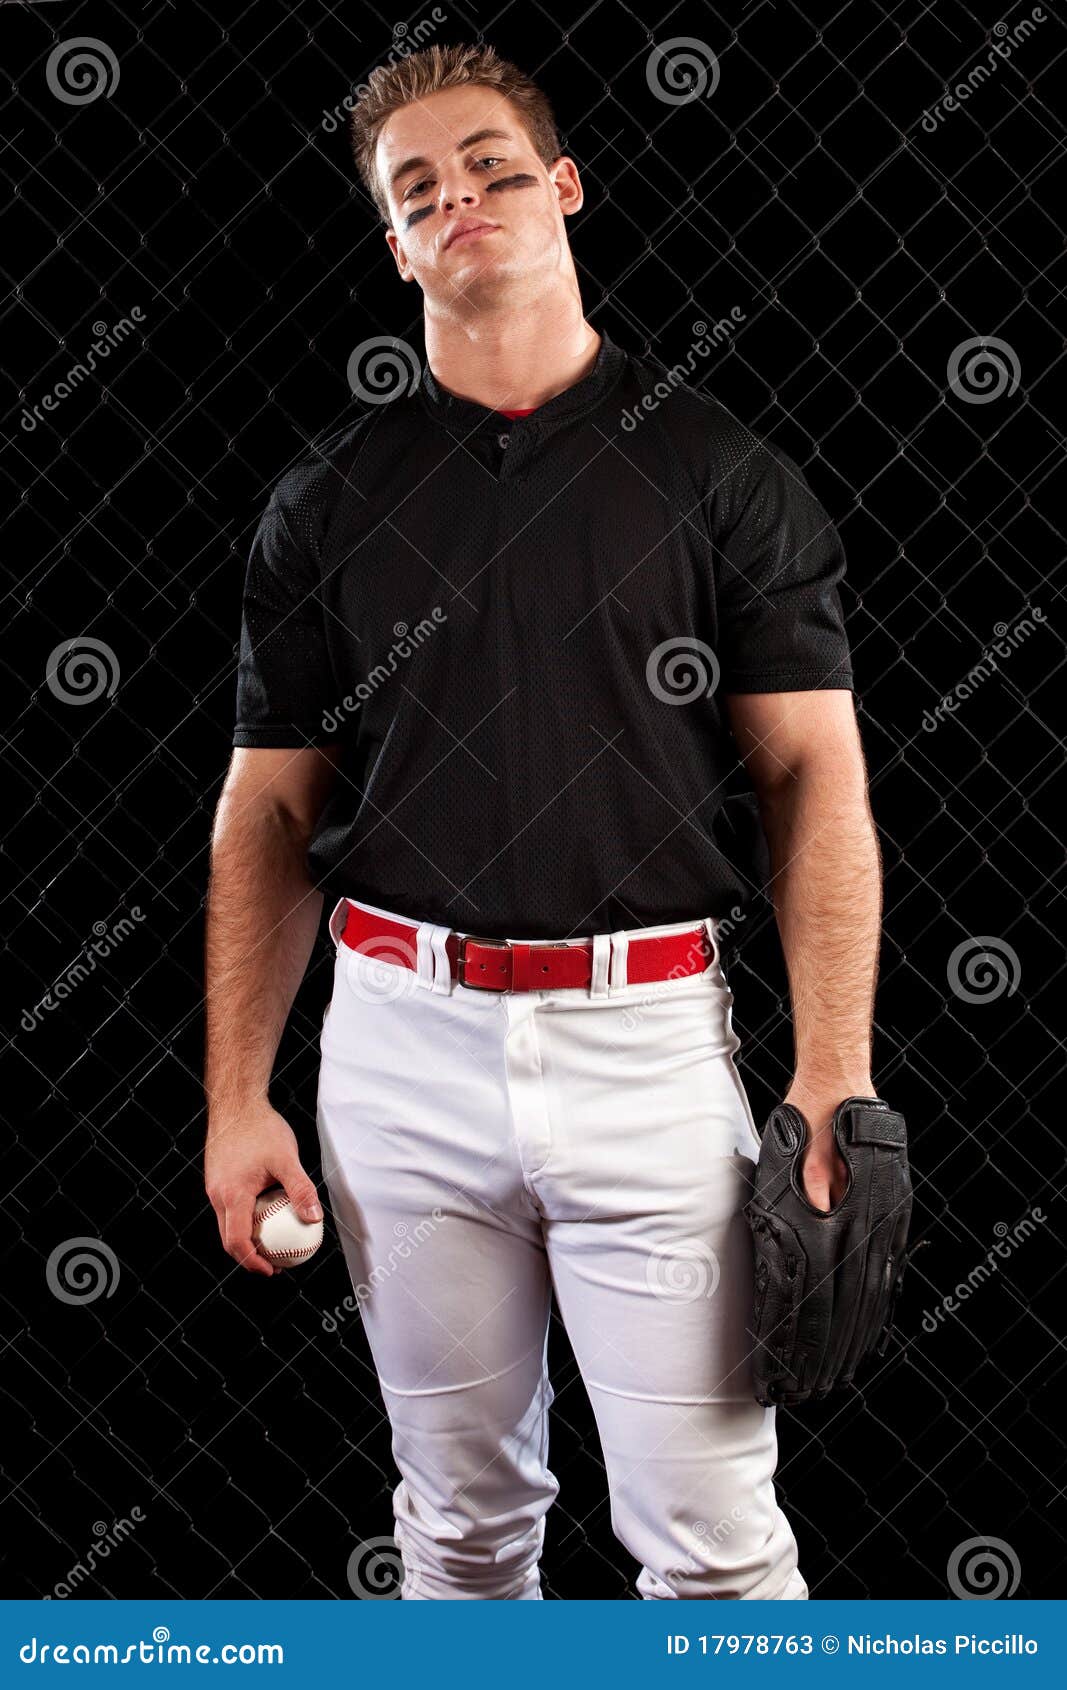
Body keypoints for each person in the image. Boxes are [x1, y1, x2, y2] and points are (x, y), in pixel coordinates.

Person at [204, 43, 881, 1601]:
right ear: (395, 244)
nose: (464, 198)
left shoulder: (723, 469)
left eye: (495, 162)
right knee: (455, 1527)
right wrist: (241, 1094)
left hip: (646, 1045)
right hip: (397, 1043)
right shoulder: (326, 498)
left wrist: (831, 1068)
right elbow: (270, 805)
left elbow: (815, 781)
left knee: (716, 1549)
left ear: (563, 184)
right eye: (419, 187)